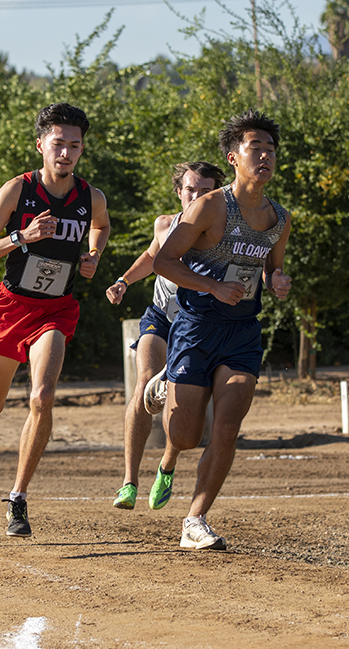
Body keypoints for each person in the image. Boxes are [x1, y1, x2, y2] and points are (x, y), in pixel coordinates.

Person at [0, 102, 110, 538]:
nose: (66, 152)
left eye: (74, 145)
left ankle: (17, 498)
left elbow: (101, 225)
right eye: (58, 143)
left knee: (42, 397)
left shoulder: (91, 197)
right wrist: (21, 236)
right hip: (11, 306)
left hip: (55, 310)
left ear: (81, 149)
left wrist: (94, 255)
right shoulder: (16, 191)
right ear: (41, 145)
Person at [151, 109, 292, 550]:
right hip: (196, 327)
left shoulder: (280, 218)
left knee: (228, 428)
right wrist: (213, 286)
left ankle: (195, 520)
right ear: (233, 157)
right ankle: (168, 441)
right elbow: (164, 262)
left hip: (242, 332)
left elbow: (272, 269)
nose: (265, 156)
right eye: (255, 148)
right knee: (186, 435)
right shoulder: (210, 206)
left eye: (271, 149)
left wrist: (277, 281)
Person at [105, 161, 227, 512]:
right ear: (179, 192)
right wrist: (124, 281)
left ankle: (167, 464)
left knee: (180, 401)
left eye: (206, 191)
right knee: (144, 382)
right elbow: (151, 255)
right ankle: (129, 481)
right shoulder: (164, 224)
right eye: (190, 189)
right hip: (161, 318)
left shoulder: (224, 234)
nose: (196, 196)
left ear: (217, 195)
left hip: (199, 326)